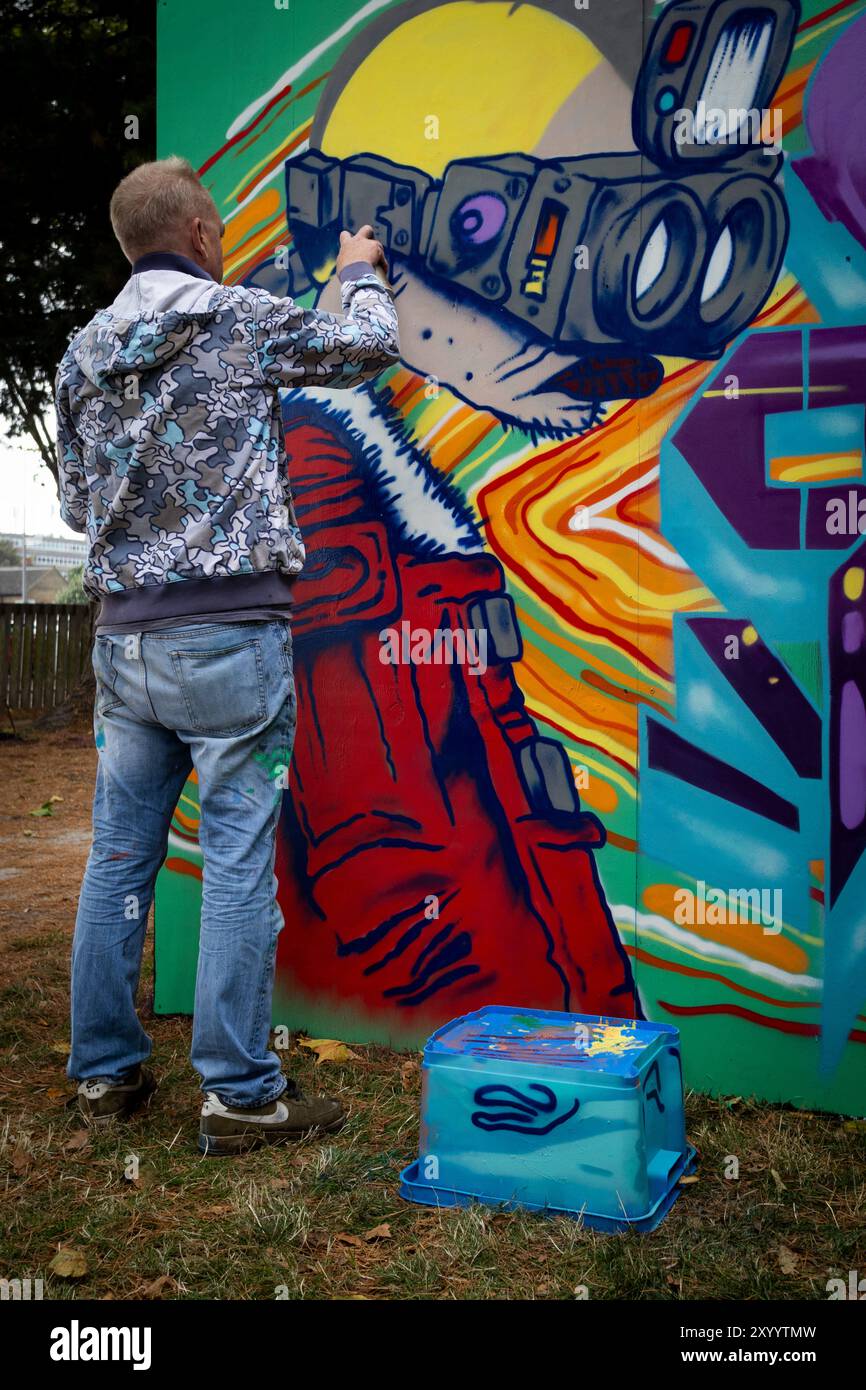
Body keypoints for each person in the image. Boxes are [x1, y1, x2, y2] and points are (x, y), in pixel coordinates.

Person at [54, 156, 399, 1155]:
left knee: (119, 860)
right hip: (231, 639)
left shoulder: (81, 352)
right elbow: (366, 346)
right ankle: (239, 1095)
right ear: (201, 232)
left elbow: (77, 506)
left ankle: (105, 1076)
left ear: (129, 244)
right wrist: (359, 265)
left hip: (126, 641)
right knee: (238, 865)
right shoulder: (238, 318)